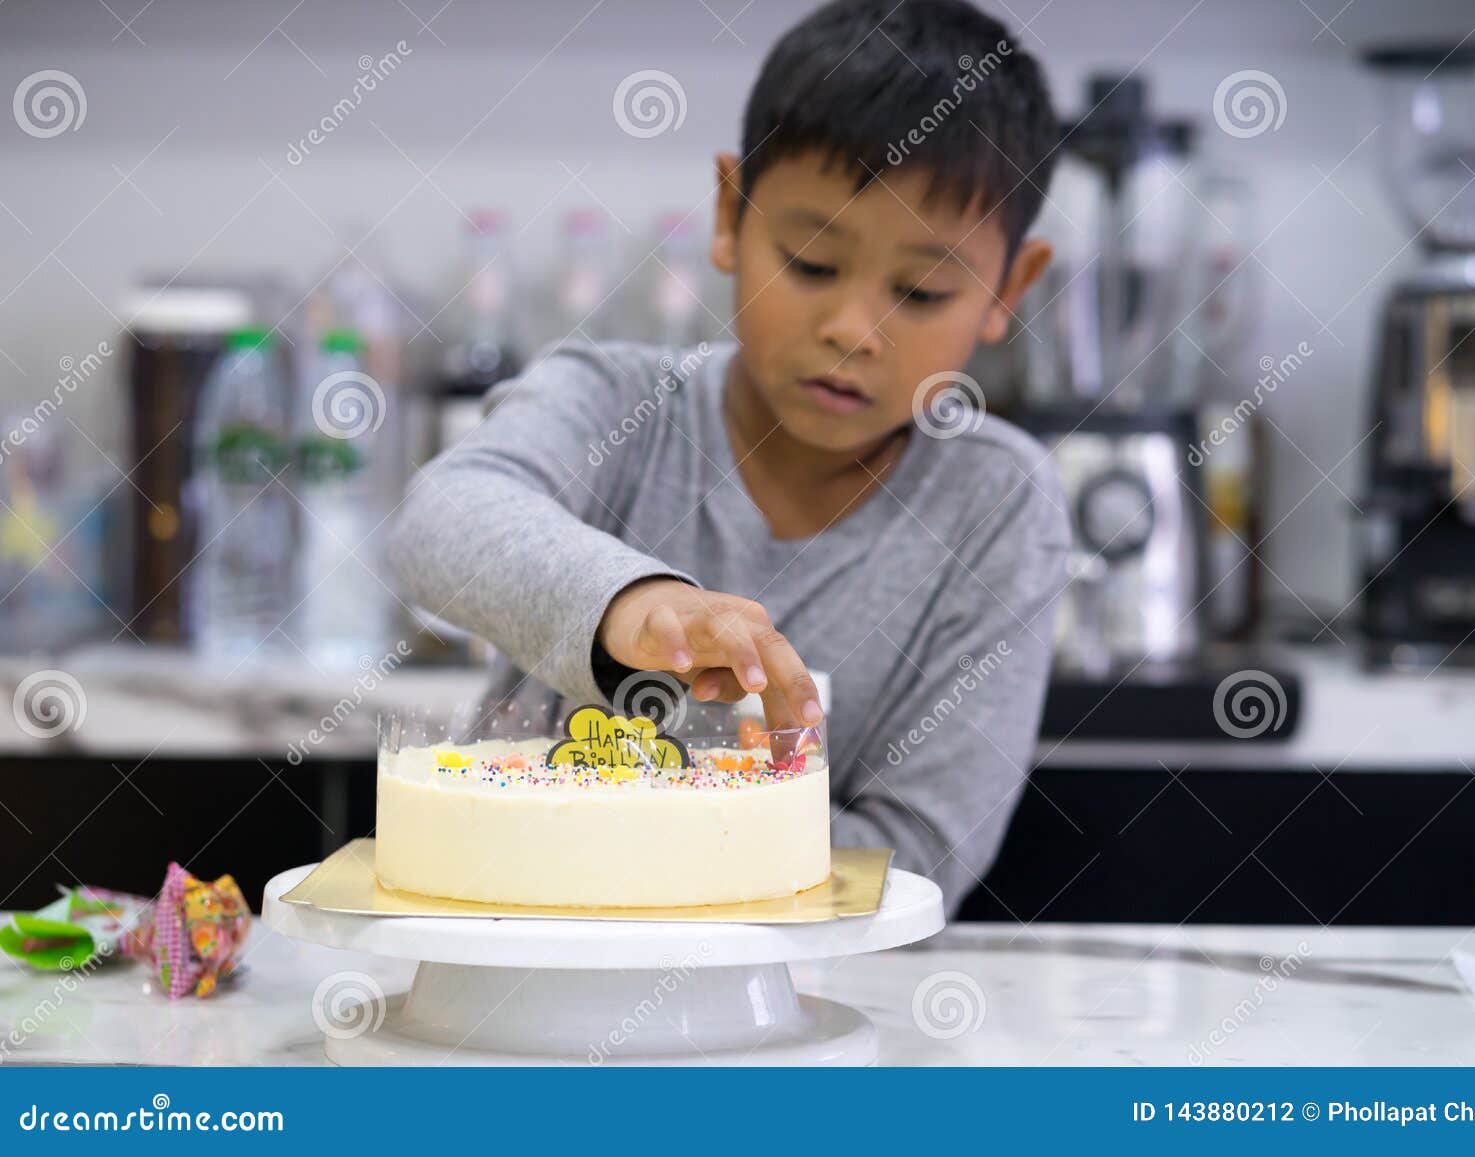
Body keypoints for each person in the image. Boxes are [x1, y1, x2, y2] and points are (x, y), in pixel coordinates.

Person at [389, 0, 1070, 916]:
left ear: (1007, 290)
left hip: (795, 1019)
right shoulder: (616, 401)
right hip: (514, 974)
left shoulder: (998, 503)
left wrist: (662, 861)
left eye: (921, 289)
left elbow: (919, 858)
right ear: (729, 214)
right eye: (813, 263)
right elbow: (442, 518)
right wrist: (638, 605)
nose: (850, 330)